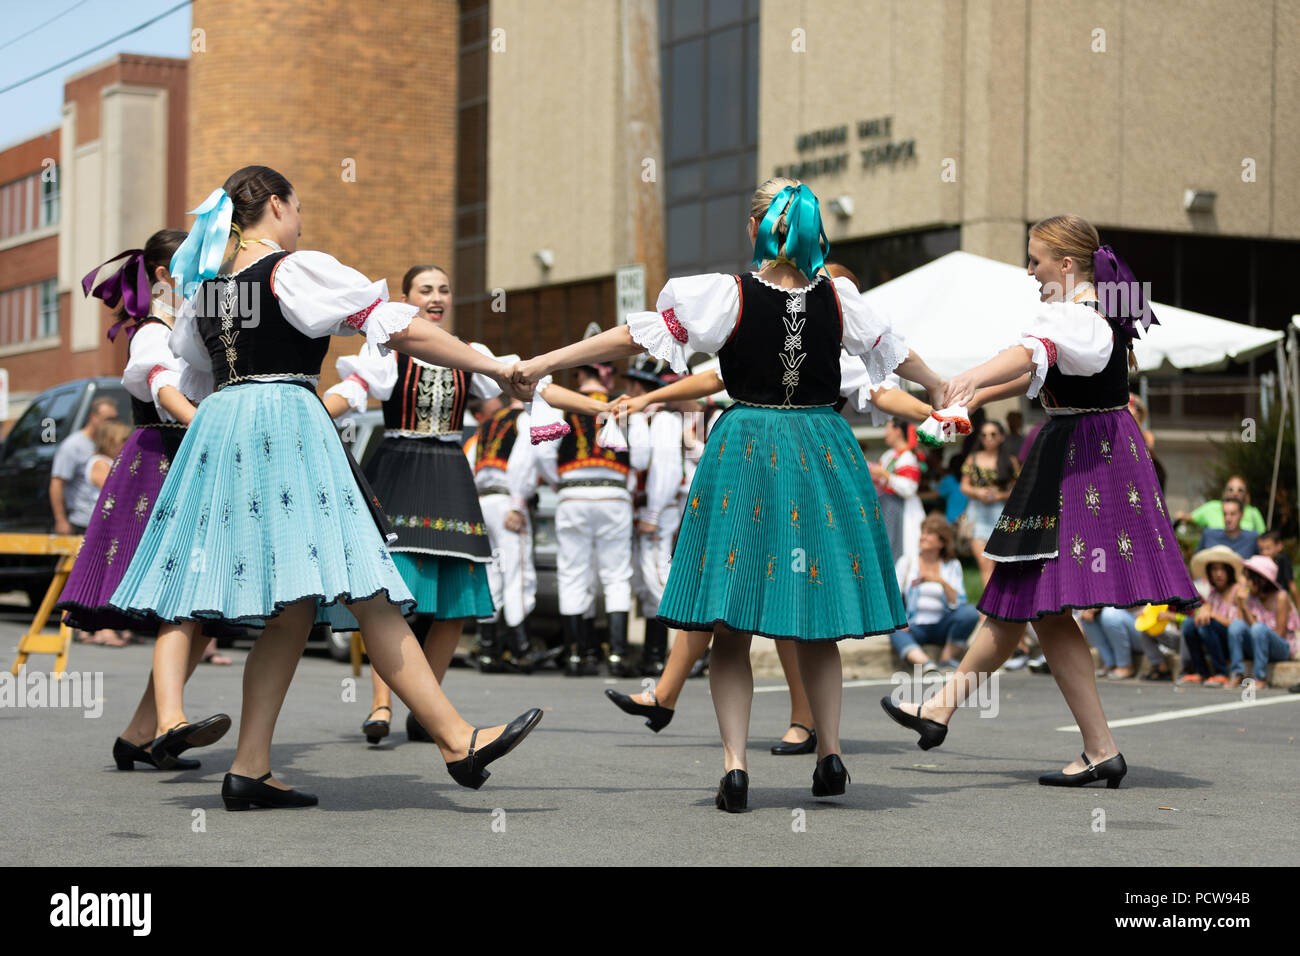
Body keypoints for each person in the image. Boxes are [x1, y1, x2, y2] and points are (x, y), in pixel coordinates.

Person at [108, 166, 541, 807]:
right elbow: (399, 327)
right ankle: (456, 739)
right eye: (298, 206)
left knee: (294, 606)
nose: (302, 218)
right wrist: (492, 364)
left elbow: (188, 371)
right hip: (286, 421)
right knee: (364, 581)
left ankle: (249, 767)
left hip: (225, 425)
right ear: (277, 205)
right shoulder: (293, 270)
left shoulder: (210, 291)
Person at [514, 177, 946, 810]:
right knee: (817, 619)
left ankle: (736, 768)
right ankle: (830, 752)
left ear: (755, 229)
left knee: (730, 623)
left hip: (746, 449)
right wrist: (944, 389)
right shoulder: (842, 299)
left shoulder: (728, 295)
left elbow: (633, 336)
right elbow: (898, 357)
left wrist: (545, 361)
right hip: (822, 449)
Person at [881, 214, 1199, 787]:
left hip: (1084, 456)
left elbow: (1032, 352)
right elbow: (1036, 368)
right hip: (1073, 448)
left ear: (1067, 264)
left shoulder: (1078, 315)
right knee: (1021, 591)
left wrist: (967, 380)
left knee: (1044, 600)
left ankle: (1096, 747)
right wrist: (970, 395)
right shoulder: (1090, 312)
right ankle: (940, 710)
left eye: (1036, 260)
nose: (1030, 271)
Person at [56, 231, 235, 765]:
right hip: (160, 465)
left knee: (200, 616)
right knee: (183, 600)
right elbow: (162, 388)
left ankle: (139, 734)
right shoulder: (151, 333)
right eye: (198, 265)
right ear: (164, 274)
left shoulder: (199, 330)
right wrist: (211, 425)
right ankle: (171, 723)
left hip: (198, 461)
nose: (211, 274)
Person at [321, 263, 514, 743]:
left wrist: (590, 404)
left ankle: (427, 706)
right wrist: (306, 415)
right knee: (391, 591)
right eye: (425, 290)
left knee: (455, 599)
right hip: (400, 470)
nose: (436, 297)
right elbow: (353, 391)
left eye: (444, 290)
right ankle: (382, 705)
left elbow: (517, 385)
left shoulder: (471, 355)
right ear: (406, 298)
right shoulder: (387, 352)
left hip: (450, 471)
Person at [533, 361, 636, 676]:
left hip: (573, 494)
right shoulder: (623, 407)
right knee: (616, 574)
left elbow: (541, 453)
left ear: (579, 375)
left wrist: (560, 482)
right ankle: (617, 654)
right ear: (608, 375)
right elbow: (642, 457)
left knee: (572, 573)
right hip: (614, 493)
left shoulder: (560, 407)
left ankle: (577, 654)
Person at [890, 514, 979, 672]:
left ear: (941, 542)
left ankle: (947, 657)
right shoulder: (908, 561)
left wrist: (940, 581)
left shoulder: (952, 565)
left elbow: (958, 602)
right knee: (893, 626)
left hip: (942, 625)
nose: (923, 537)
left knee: (970, 613)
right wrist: (900, 617)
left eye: (929, 533)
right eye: (922, 532)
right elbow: (893, 593)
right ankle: (926, 663)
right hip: (915, 626)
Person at [50, 397, 119, 536]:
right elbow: (57, 483)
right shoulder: (73, 446)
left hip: (103, 521)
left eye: (114, 419)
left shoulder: (108, 444)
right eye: (107, 419)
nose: (111, 424)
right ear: (93, 417)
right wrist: (61, 520)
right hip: (83, 522)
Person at [1227, 555, 1298, 688]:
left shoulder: (1281, 597)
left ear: (1262, 580)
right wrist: (1242, 606)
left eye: (1249, 579)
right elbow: (1242, 628)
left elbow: (1279, 634)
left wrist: (1247, 610)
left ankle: (1260, 677)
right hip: (1258, 645)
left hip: (1280, 649)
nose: (1246, 583)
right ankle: (1237, 673)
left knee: (1258, 628)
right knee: (1236, 625)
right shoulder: (1251, 598)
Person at [1179, 545, 1240, 686]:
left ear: (1229, 571)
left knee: (1206, 624)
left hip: (1233, 642)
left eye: (1222, 569)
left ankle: (1221, 672)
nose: (1218, 574)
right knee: (1189, 624)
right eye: (1214, 569)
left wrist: (1212, 614)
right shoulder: (1213, 593)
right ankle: (1201, 672)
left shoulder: (1238, 591)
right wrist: (1204, 610)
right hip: (1214, 639)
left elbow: (1239, 626)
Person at [871, 418, 925, 565]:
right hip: (887, 505)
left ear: (898, 431)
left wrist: (884, 475)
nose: (885, 433)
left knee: (899, 544)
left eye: (888, 428)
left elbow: (910, 488)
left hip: (900, 506)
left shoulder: (907, 457)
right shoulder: (890, 455)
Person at [1176, 475, 1266, 533]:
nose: (1235, 493)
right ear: (1225, 492)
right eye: (1231, 489)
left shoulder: (1253, 513)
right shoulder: (1212, 507)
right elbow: (1190, 518)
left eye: (1240, 490)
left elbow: (1263, 538)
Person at [1256, 530, 1299, 611]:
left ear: (1279, 546)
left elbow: (1292, 585)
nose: (1264, 553)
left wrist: (1298, 607)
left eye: (1268, 548)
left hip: (1281, 601)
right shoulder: (1261, 562)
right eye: (1261, 549)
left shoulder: (1283, 560)